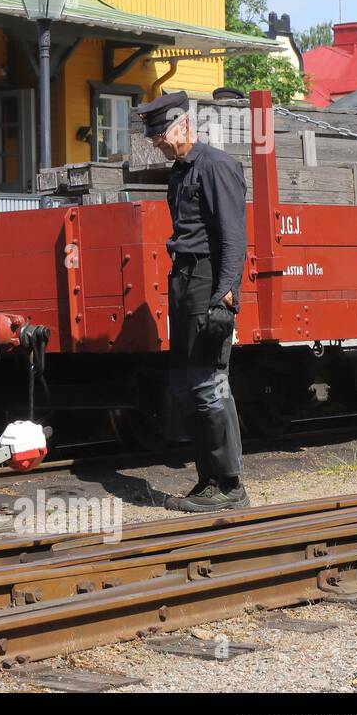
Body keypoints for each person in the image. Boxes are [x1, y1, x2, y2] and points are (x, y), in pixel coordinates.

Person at [136, 90, 249, 512]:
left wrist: (226, 296)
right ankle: (209, 481)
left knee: (209, 384)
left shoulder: (217, 166)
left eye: (161, 133)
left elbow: (233, 238)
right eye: (153, 135)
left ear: (184, 125)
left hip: (207, 282)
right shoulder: (181, 173)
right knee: (186, 386)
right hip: (184, 281)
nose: (157, 141)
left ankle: (231, 486)